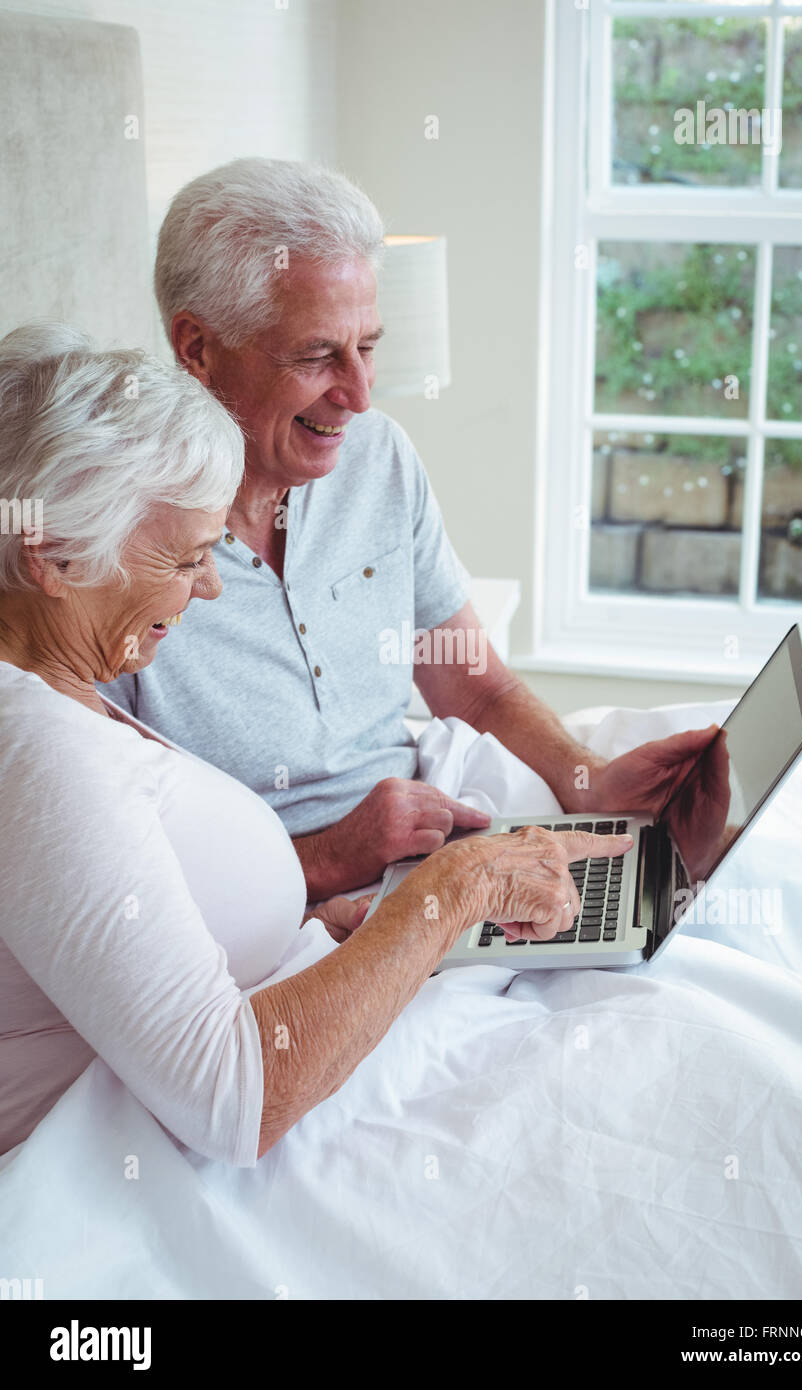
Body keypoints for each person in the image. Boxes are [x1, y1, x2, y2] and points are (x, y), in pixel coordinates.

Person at [0, 323, 632, 1164]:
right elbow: (233, 1104)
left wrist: (340, 931)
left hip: (301, 1004)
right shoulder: (39, 756)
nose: (213, 585)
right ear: (53, 560)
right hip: (162, 1160)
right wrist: (450, 893)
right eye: (188, 559)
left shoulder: (62, 688)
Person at [99, 157, 717, 898]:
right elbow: (118, 867)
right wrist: (335, 854)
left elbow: (475, 688)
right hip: (286, 909)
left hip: (429, 845)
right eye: (318, 354)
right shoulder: (112, 544)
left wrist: (588, 782)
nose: (359, 396)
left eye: (368, 347)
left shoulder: (379, 457)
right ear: (197, 348)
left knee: (700, 875)